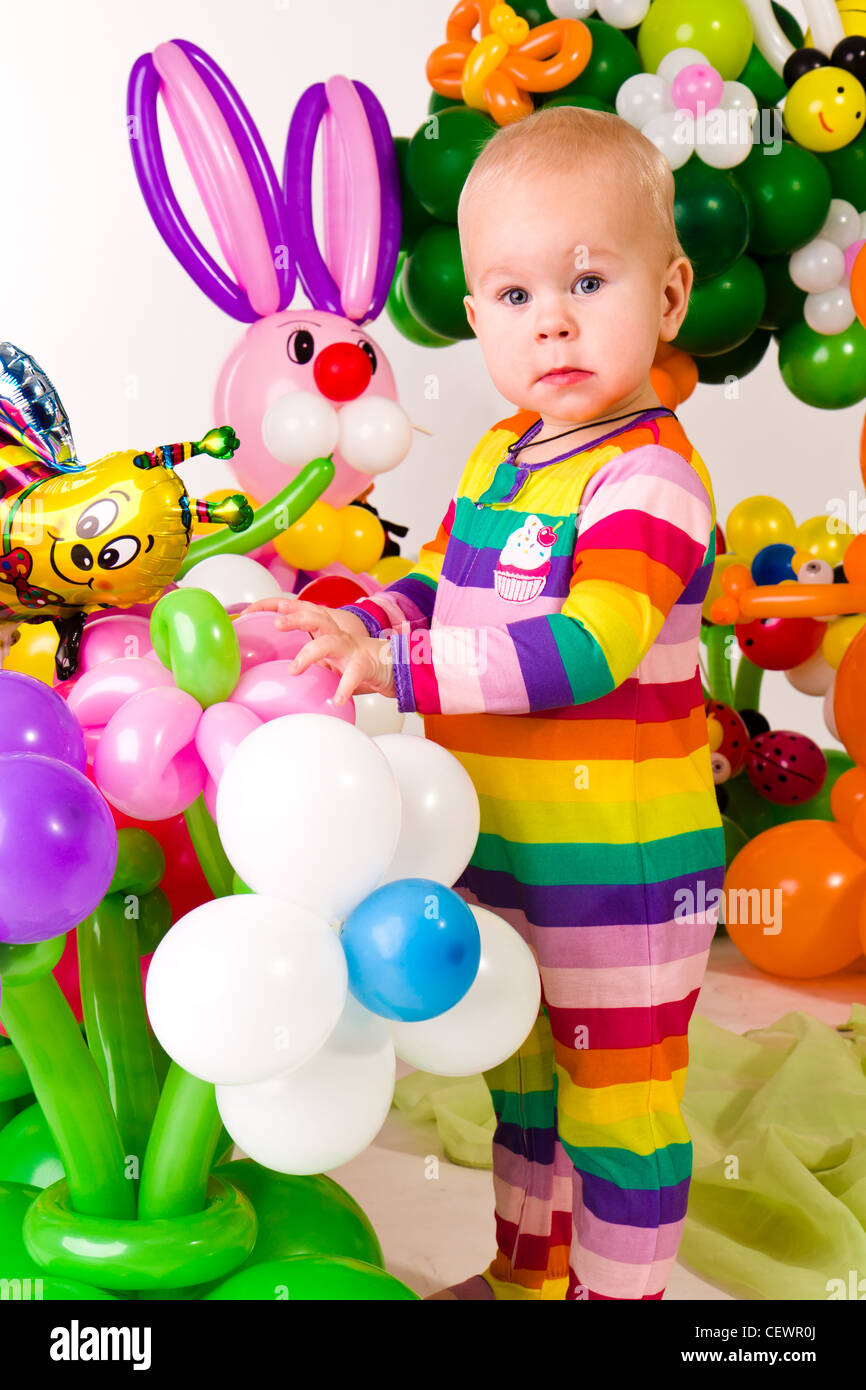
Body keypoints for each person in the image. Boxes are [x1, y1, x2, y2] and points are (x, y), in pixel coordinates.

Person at [242, 105, 725, 1301]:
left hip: (620, 861)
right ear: (472, 320)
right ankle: (524, 1281)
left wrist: (400, 674)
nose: (549, 318)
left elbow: (583, 647)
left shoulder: (648, 476)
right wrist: (369, 618)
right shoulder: (500, 453)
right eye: (511, 297)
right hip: (497, 838)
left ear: (666, 297)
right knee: (518, 1077)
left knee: (616, 1108)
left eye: (586, 280)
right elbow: (447, 586)